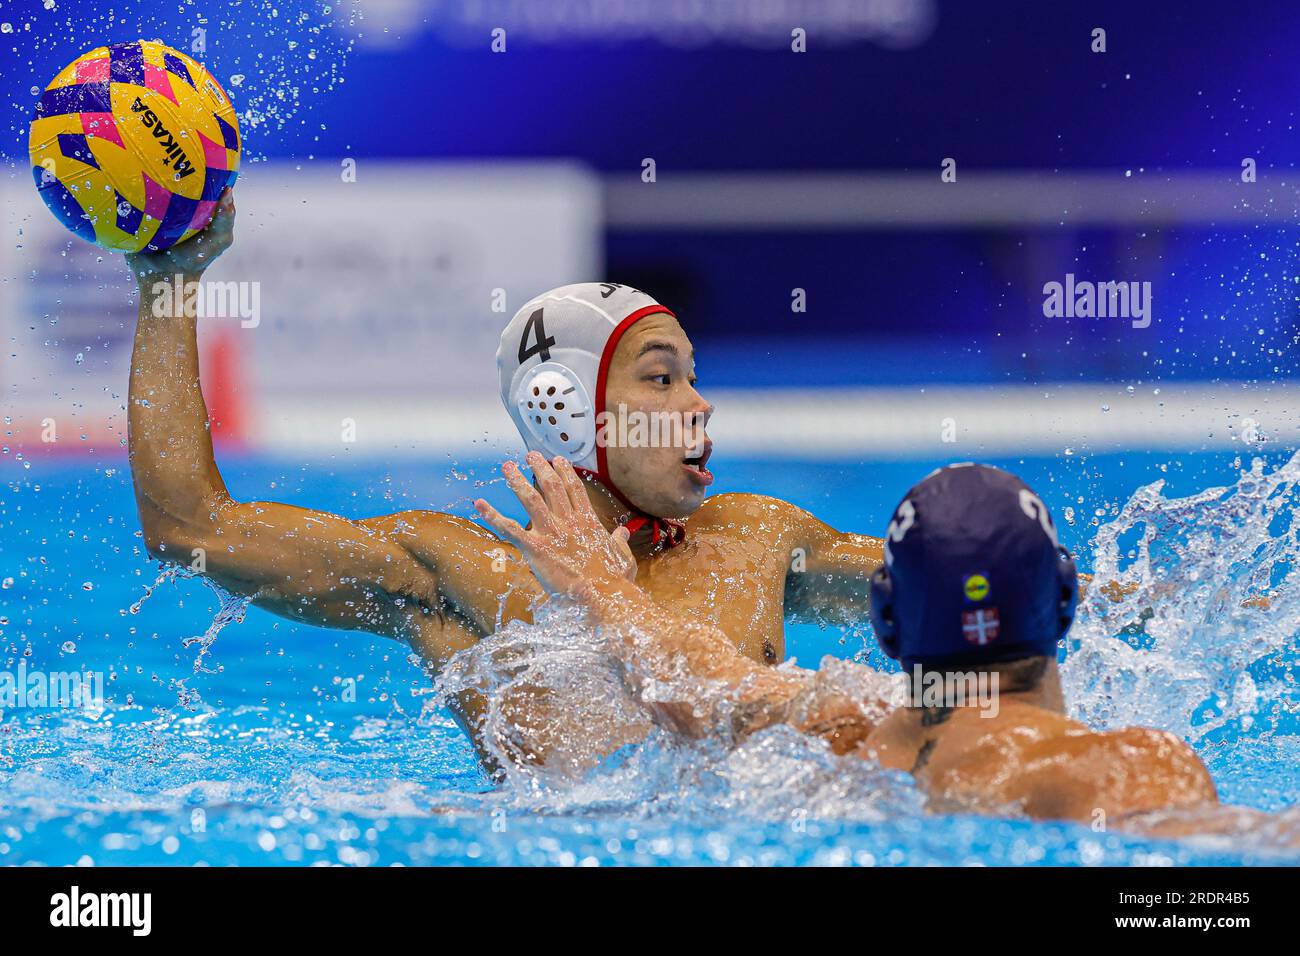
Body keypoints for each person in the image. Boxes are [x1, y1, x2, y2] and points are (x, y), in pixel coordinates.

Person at [124, 190, 885, 767]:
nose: (698, 402)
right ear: (563, 411)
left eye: (693, 375)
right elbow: (189, 528)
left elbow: (958, 585)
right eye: (661, 379)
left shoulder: (756, 536)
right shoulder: (455, 568)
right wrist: (172, 286)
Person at [478, 456, 1296, 839]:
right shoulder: (1123, 768)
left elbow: (689, 681)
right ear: (1069, 605)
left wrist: (601, 587)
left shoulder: (837, 724)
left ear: (887, 622)